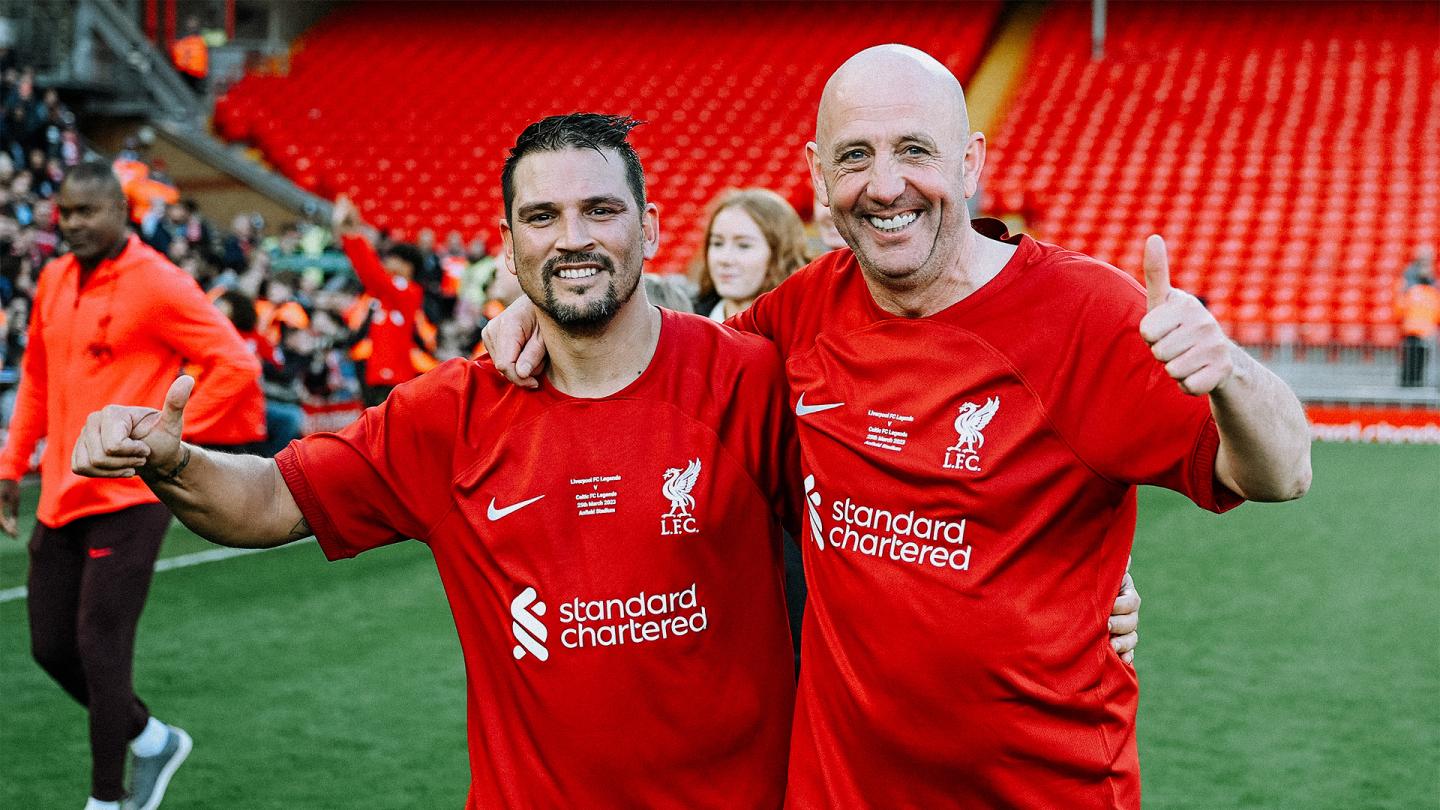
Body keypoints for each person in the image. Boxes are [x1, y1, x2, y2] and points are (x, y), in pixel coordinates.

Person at [75, 113, 1145, 805]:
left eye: (600, 210)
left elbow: (908, 491)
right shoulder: (451, 413)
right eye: (541, 217)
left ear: (647, 228)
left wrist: (1081, 587)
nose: (572, 236)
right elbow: (272, 499)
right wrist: (175, 461)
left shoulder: (749, 375)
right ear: (508, 243)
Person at [483, 45, 1309, 807]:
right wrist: (548, 309)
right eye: (855, 157)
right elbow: (666, 356)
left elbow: (1281, 473)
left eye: (914, 150)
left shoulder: (1087, 312)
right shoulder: (803, 311)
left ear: (971, 161)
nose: (885, 187)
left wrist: (1230, 371)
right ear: (818, 175)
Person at [1, 162, 264, 810]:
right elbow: (36, 378)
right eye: (65, 211)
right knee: (50, 647)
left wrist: (164, 441)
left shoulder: (159, 282)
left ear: (122, 211)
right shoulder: (55, 278)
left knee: (100, 645)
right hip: (61, 491)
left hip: (130, 497)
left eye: (87, 211)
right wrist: (10, 466)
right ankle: (152, 738)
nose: (73, 223)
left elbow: (235, 365)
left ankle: (105, 799)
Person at [332, 196, 438, 405]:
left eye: (393, 258)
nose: (387, 262)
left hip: (395, 376)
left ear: (408, 266)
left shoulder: (409, 292)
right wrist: (349, 237)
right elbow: (367, 273)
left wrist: (355, 236)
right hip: (376, 373)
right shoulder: (386, 291)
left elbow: (374, 275)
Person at [692, 188, 809, 321]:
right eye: (717, 243)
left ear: (780, 254)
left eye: (743, 245)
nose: (725, 259)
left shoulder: (803, 324)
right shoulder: (687, 318)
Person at [1397, 248, 1438, 387]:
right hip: (1413, 330)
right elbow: (1401, 306)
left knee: (1420, 361)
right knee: (1411, 360)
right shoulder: (1411, 286)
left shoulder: (1431, 288)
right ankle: (1409, 383)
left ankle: (1415, 383)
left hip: (1425, 331)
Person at [170, 17, 208, 97]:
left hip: (197, 72)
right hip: (186, 71)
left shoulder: (201, 39)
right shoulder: (182, 39)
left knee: (196, 93)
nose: (192, 28)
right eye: (190, 26)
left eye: (193, 26)